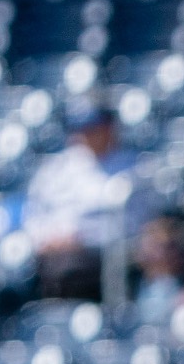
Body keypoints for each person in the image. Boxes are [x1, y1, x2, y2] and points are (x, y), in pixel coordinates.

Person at [23, 102, 144, 302]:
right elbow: (34, 215)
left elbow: (135, 226)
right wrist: (48, 237)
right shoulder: (57, 167)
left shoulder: (135, 166)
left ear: (109, 128)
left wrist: (83, 237)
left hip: (106, 257)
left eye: (92, 129)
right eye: (81, 129)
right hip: (57, 255)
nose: (86, 135)